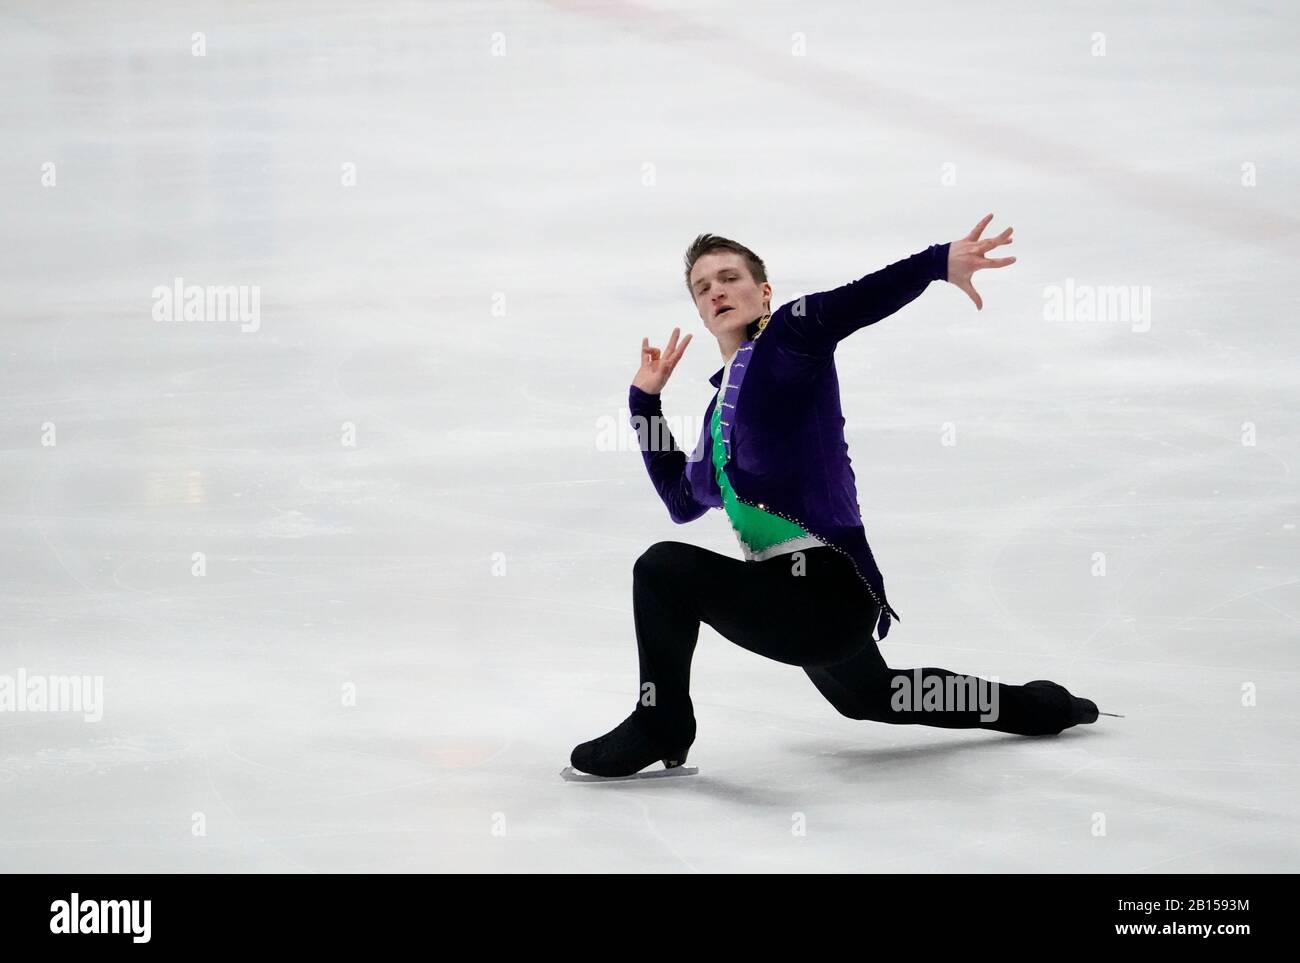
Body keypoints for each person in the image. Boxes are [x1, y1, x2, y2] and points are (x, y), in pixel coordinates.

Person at [569, 215, 1099, 779]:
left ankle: (662, 724)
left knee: (662, 569)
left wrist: (939, 262)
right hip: (786, 596)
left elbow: (858, 301)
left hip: (825, 592)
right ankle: (1040, 707)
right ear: (699, 311)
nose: (717, 291)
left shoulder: (791, 337)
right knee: (872, 696)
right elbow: (682, 499)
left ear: (763, 291)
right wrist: (644, 406)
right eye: (703, 288)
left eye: (729, 278)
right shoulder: (717, 411)